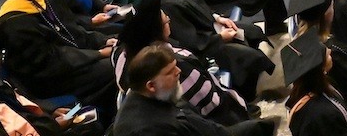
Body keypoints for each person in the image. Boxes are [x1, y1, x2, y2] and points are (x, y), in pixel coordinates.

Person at [0, 0, 118, 124]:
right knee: (113, 66)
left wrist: (101, 42)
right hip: (48, 78)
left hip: (69, 60)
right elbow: (51, 61)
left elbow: (71, 27)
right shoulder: (14, 22)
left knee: (119, 44)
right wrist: (99, 54)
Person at [142, 0, 275, 103]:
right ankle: (246, 99)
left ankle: (249, 82)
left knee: (253, 31)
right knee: (247, 57)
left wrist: (217, 18)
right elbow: (190, 40)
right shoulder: (163, 3)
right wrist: (221, 37)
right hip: (206, 46)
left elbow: (198, 3)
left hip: (211, 26)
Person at [111, 44, 272, 136]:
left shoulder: (148, 96)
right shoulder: (148, 130)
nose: (178, 72)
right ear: (151, 85)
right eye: (170, 71)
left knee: (260, 126)